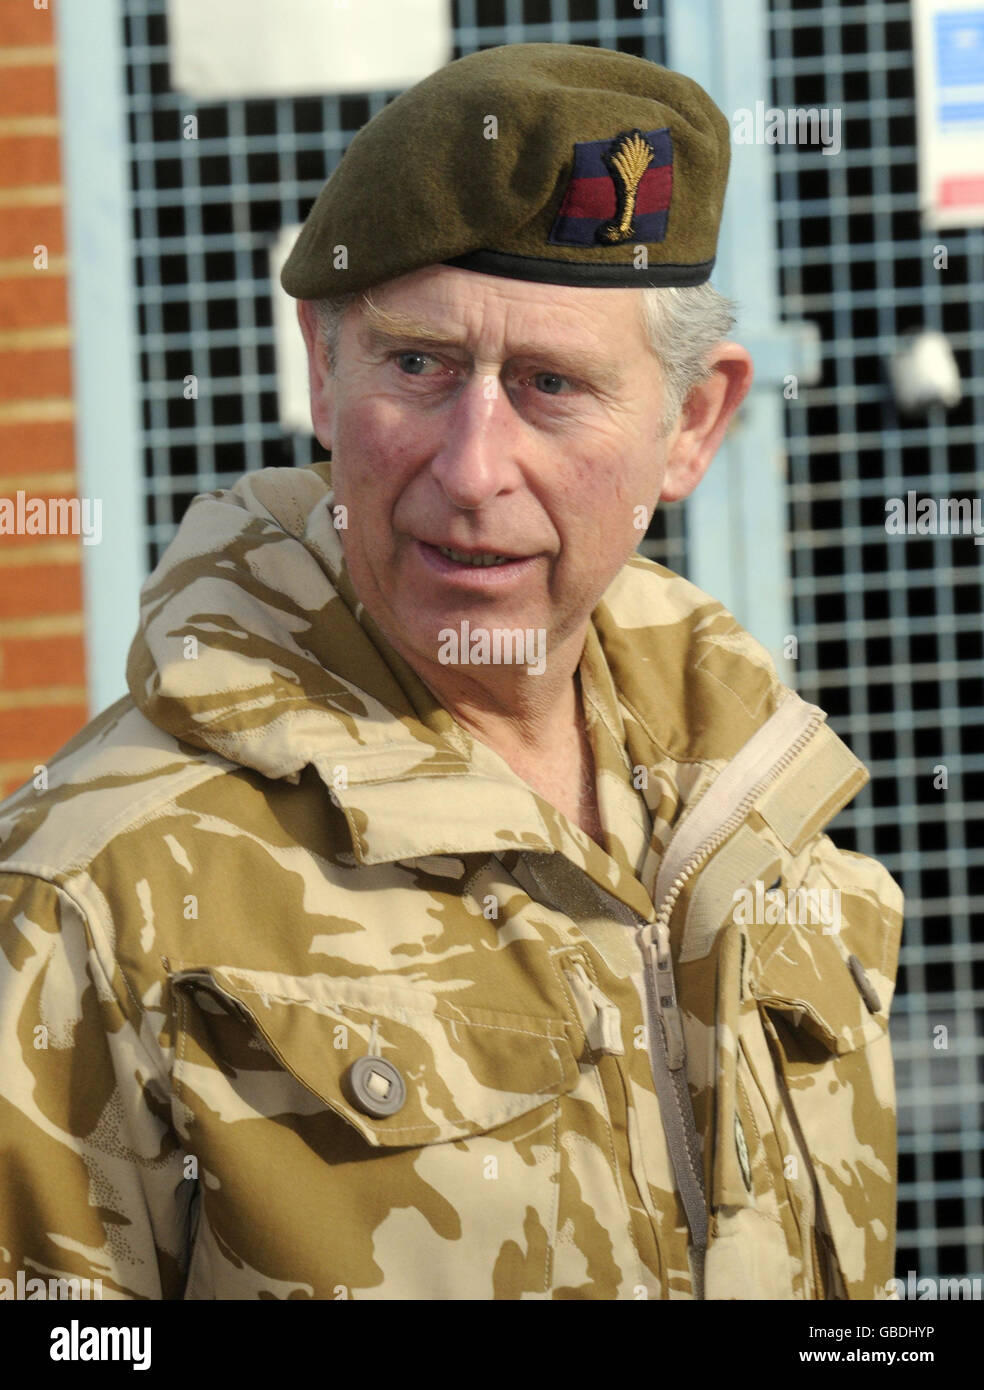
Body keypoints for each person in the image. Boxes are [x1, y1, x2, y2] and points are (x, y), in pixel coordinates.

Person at [0, 42, 901, 1301]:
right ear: (321, 367)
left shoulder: (762, 816)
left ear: (690, 426)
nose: (472, 469)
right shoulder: (92, 884)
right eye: (419, 365)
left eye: (550, 384)